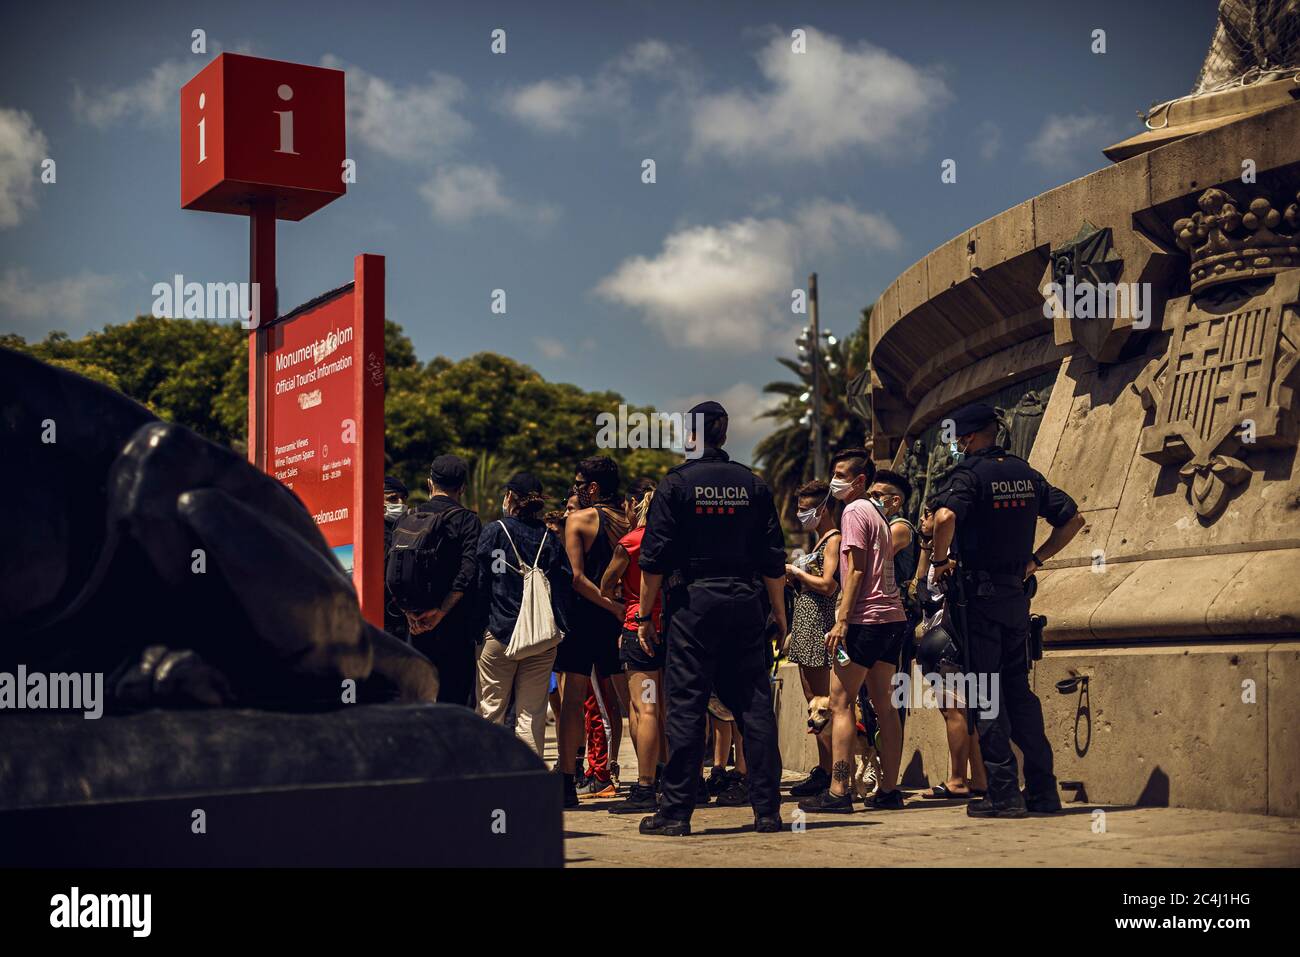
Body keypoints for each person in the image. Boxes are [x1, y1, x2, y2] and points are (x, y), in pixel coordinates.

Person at [636, 400, 789, 836]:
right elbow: (772, 559)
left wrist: (645, 616)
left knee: (685, 707)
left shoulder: (676, 485)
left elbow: (654, 560)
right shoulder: (753, 484)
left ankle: (676, 814)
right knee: (755, 707)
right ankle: (767, 812)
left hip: (693, 605)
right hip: (745, 601)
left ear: (691, 436)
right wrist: (779, 615)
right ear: (723, 435)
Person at [930, 401, 1085, 818]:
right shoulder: (1025, 473)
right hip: (1016, 596)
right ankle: (1043, 792)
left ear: (966, 437)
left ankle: (1002, 792)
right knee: (1019, 692)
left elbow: (944, 516)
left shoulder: (969, 475)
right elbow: (1073, 520)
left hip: (979, 601)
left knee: (986, 693)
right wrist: (1036, 559)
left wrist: (940, 559)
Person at [800, 448, 908, 813]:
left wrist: (842, 620)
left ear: (860, 480)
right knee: (886, 707)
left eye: (842, 473)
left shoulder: (853, 512)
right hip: (892, 618)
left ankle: (838, 791)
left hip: (865, 619)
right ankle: (890, 790)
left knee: (841, 703)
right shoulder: (877, 513)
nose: (835, 480)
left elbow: (857, 570)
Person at [475, 472, 573, 757]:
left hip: (499, 633)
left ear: (510, 498)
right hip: (542, 638)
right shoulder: (549, 537)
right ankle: (529, 788)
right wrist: (562, 627)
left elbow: (482, 583)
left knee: (491, 712)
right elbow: (564, 584)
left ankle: (492, 783)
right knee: (532, 716)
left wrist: (478, 629)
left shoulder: (495, 531)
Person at [556, 457, 630, 808]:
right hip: (623, 622)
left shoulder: (579, 520)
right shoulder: (630, 521)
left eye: (579, 484)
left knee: (571, 703)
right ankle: (653, 778)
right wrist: (619, 608)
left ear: (593, 488)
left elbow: (575, 577)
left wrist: (608, 605)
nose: (576, 490)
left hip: (584, 621)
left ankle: (567, 781)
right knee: (637, 705)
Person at [391, 455, 482, 707]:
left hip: (416, 627)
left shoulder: (407, 517)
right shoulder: (468, 521)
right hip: (455, 628)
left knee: (418, 699)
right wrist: (440, 613)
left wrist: (410, 615)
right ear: (463, 487)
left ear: (429, 483)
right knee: (454, 703)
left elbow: (392, 571)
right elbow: (468, 572)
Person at [601, 482, 667, 814]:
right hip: (673, 629)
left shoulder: (630, 543)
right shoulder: (675, 539)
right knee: (670, 708)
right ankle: (684, 780)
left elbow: (606, 584)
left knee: (645, 708)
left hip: (638, 630)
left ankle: (644, 785)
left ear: (635, 506)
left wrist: (622, 601)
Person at [914, 502, 987, 800]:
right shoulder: (936, 555)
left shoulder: (954, 558)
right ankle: (979, 779)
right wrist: (926, 544)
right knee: (961, 710)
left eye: (928, 514)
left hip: (952, 644)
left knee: (955, 710)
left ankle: (958, 779)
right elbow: (918, 587)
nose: (922, 518)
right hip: (941, 641)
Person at [783, 480, 841, 798]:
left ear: (823, 509)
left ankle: (833, 772)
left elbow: (828, 585)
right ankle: (824, 768)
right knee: (812, 704)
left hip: (818, 624)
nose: (800, 514)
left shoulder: (833, 540)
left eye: (806, 509)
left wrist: (796, 571)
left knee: (822, 704)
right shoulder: (818, 541)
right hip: (805, 625)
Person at [382, 476, 410, 642]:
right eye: (392, 498)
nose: (400, 503)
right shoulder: (368, 531)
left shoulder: (406, 530)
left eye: (403, 499)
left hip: (401, 618)